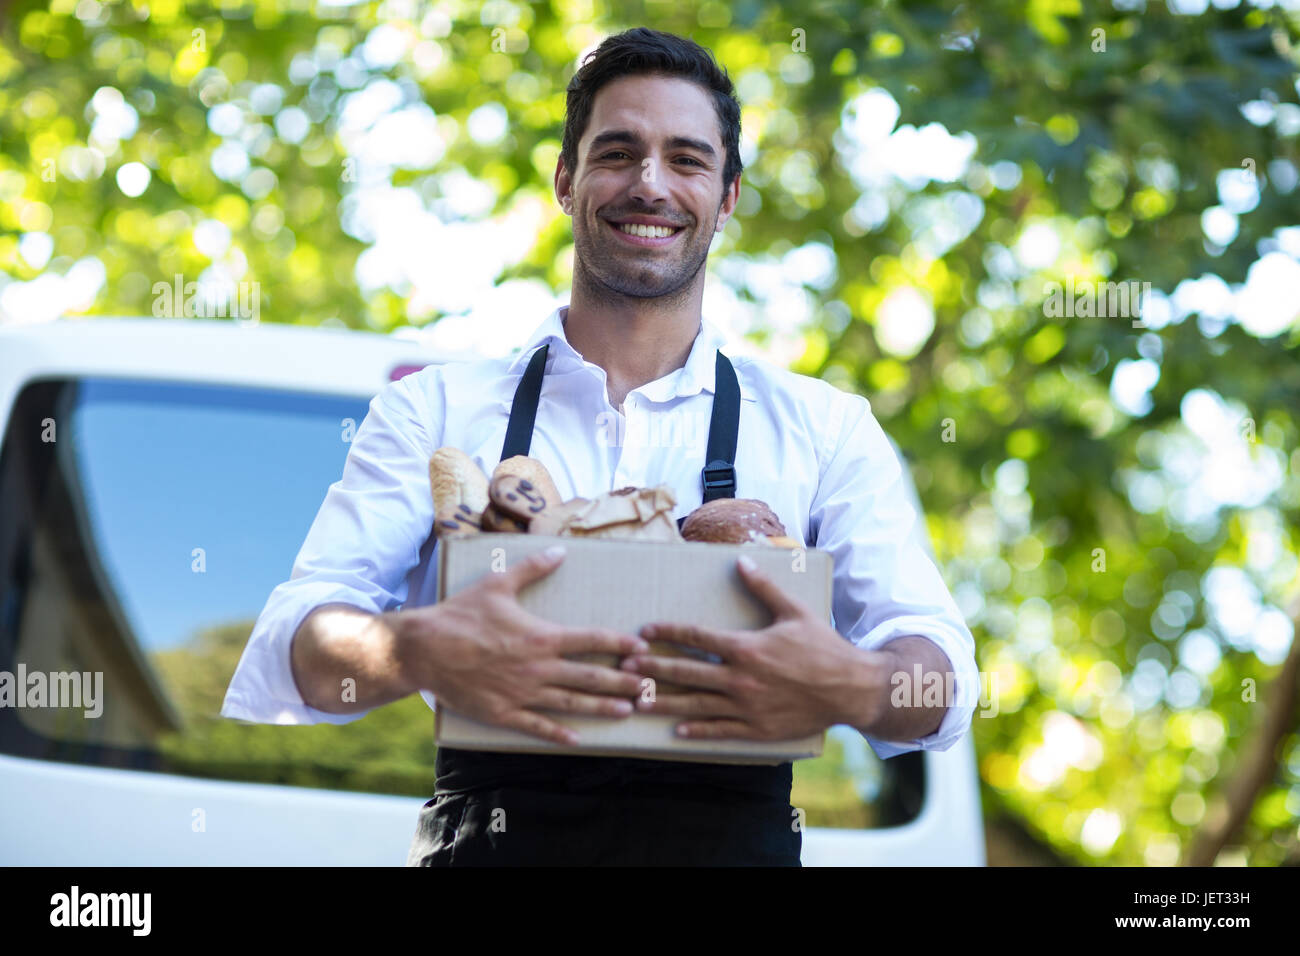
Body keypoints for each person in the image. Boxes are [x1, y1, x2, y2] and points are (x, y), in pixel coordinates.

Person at [222, 27, 978, 866]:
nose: (650, 184)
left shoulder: (825, 429)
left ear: (727, 197)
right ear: (565, 180)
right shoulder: (432, 411)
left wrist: (852, 683)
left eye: (687, 160)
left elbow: (939, 674)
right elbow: (298, 639)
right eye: (618, 152)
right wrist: (413, 647)